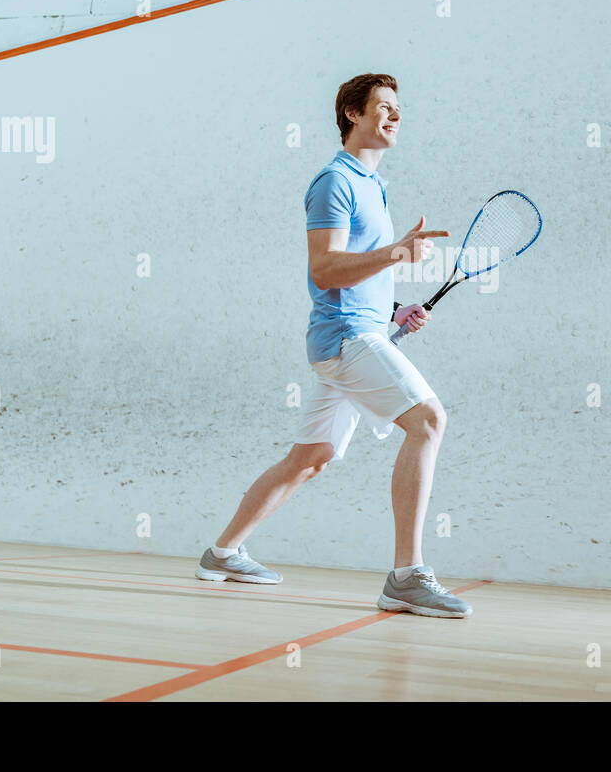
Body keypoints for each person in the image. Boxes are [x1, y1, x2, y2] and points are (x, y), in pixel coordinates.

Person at [194, 73, 472, 619]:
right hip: (346, 338)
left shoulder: (374, 185)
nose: (395, 116)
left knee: (311, 458)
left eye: (399, 109)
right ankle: (406, 576)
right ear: (352, 114)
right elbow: (323, 270)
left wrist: (395, 308)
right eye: (384, 107)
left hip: (357, 331)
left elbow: (355, 271)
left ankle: (222, 553)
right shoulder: (334, 182)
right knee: (429, 421)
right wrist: (395, 254)